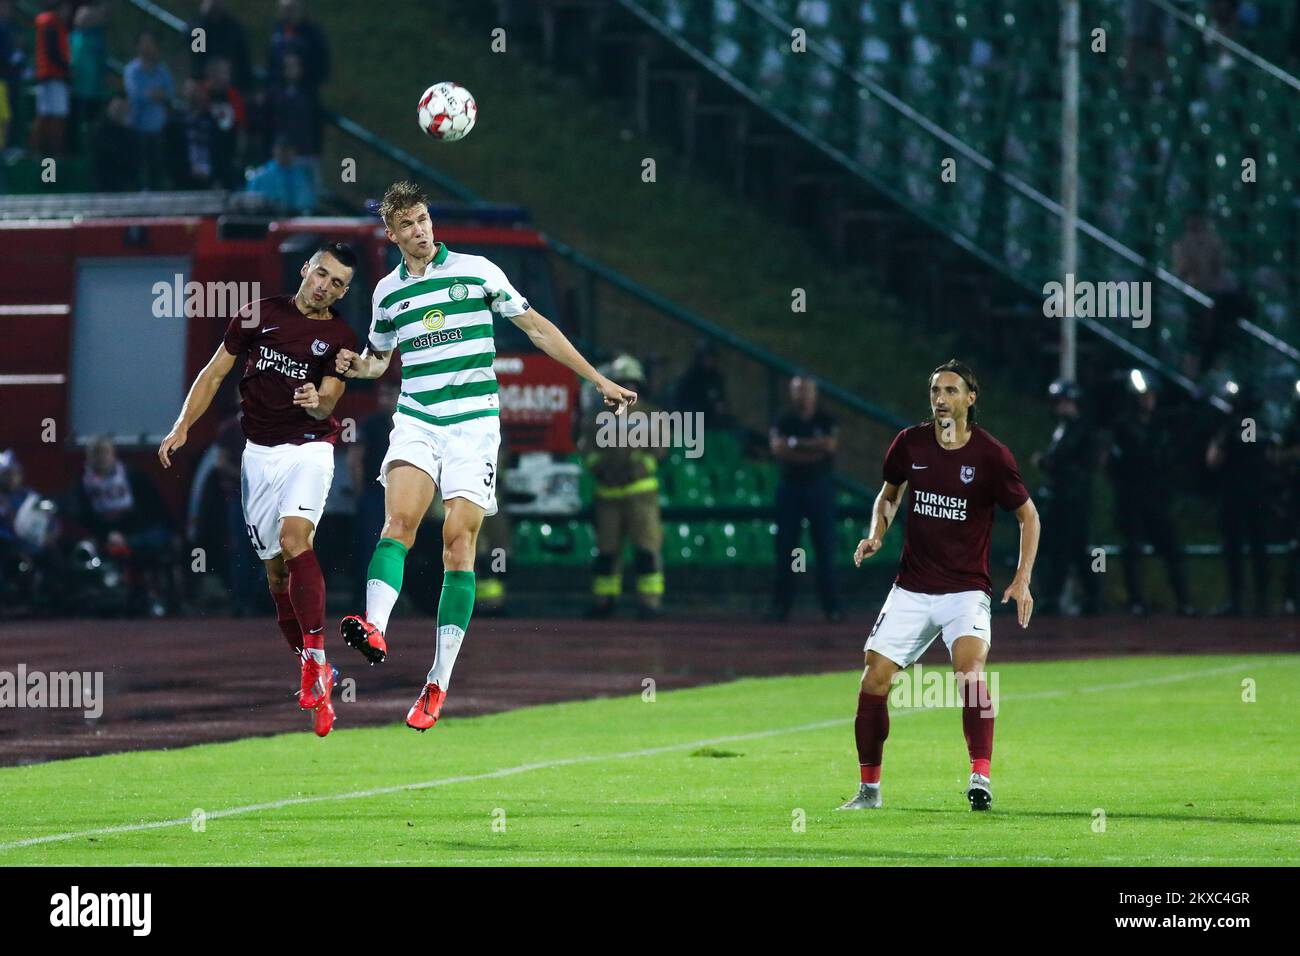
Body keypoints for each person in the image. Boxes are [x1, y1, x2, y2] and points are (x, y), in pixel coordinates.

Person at [333, 180, 638, 732]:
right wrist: (356, 367)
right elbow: (378, 361)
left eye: (423, 219)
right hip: (418, 420)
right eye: (407, 225)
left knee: (458, 542)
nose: (419, 230)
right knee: (398, 522)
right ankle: (374, 625)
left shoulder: (478, 271)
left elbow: (537, 329)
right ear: (392, 234)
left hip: (473, 428)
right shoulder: (386, 294)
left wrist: (597, 380)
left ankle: (437, 681)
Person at [157, 241, 359, 738]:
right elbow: (214, 371)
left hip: (309, 448)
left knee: (296, 542)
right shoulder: (256, 315)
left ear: (344, 292)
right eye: (322, 275)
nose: (325, 286)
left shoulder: (338, 336)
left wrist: (317, 401)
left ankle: (315, 660)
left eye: (337, 284)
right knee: (275, 577)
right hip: (259, 456)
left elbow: (331, 395)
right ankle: (317, 670)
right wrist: (183, 425)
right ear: (305, 269)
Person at [839, 360, 1039, 813]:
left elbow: (1028, 515)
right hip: (911, 587)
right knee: (873, 679)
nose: (940, 398)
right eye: (935, 390)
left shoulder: (991, 455)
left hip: (966, 589)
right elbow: (890, 493)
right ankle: (869, 792)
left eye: (951, 390)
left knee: (969, 672)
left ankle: (980, 776)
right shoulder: (910, 443)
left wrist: (1022, 578)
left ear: (971, 398)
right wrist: (877, 534)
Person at [582, 354, 664, 619]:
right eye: (622, 382)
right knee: (606, 555)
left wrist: (636, 467)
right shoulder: (596, 417)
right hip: (607, 496)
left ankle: (649, 604)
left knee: (646, 553)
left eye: (632, 382)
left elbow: (659, 451)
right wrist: (601, 467)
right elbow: (587, 451)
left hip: (641, 496)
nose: (628, 387)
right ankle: (603, 602)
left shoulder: (652, 414)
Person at [1105, 375, 1194, 615]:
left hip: (1157, 498)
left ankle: (1184, 601)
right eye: (1144, 396)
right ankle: (1136, 601)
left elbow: (1170, 461)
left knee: (1173, 549)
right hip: (1132, 499)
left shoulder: (1162, 426)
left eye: (1151, 396)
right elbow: (1116, 465)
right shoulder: (1123, 427)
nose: (1148, 401)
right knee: (1132, 550)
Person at [73, 435, 176, 616]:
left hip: (144, 529)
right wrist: (107, 534)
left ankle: (146, 593)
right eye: (95, 454)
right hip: (110, 534)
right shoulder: (84, 484)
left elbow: (154, 507)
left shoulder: (133, 476)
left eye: (104, 453)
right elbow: (83, 515)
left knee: (140, 545)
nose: (100, 459)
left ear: (113, 455)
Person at [767, 375, 841, 623]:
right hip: (791, 489)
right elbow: (778, 450)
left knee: (825, 549)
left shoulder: (825, 419)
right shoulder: (784, 419)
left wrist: (795, 446)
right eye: (798, 390)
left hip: (819, 489)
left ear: (814, 393)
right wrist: (813, 448)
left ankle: (831, 608)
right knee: (786, 548)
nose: (802, 395)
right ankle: (781, 606)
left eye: (806, 390)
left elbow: (830, 446)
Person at [1032, 379, 1100, 616]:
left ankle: (1089, 594)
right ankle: (1069, 595)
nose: (1061, 407)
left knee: (1080, 550)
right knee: (1069, 549)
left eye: (1065, 402)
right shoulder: (1064, 429)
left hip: (1074, 500)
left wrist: (1047, 462)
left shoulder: (1082, 429)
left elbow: (1070, 462)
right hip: (1063, 498)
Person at [1206, 384, 1270, 615]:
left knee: (1247, 548)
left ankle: (1250, 601)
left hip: (1242, 496)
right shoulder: (1256, 425)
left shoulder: (1244, 424)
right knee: (1247, 549)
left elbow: (1215, 459)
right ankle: (1250, 600)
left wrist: (1223, 438)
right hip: (1249, 496)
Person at [123, 30, 174, 188]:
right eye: (143, 43)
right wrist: (155, 95)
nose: (147, 47)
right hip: (137, 126)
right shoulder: (132, 70)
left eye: (150, 43)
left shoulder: (162, 71)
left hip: (159, 128)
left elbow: (170, 93)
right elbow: (135, 94)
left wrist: (155, 95)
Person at [30, 1, 73, 157]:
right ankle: (49, 153)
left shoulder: (54, 23)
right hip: (52, 77)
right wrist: (67, 68)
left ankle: (45, 153)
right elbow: (52, 51)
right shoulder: (50, 22)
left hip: (52, 77)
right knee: (53, 116)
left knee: (49, 114)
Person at [267, 0, 330, 93]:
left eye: (291, 9)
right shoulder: (278, 31)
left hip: (306, 92)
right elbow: (271, 60)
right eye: (284, 9)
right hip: (278, 91)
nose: (288, 14)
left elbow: (322, 65)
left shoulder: (312, 34)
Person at [69, 1, 108, 150]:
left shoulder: (98, 40)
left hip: (93, 90)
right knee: (75, 124)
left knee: (92, 124)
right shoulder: (73, 37)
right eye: (80, 17)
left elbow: (102, 62)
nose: (82, 20)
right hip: (76, 90)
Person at [188, 0, 251, 91]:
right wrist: (203, 17)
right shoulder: (198, 25)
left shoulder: (234, 27)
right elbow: (194, 48)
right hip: (203, 86)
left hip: (230, 89)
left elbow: (244, 61)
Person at [245, 135, 316, 214]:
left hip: (296, 219)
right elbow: (249, 204)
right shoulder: (260, 176)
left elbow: (309, 203)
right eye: (281, 149)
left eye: (287, 150)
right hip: (267, 220)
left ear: (294, 152)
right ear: (274, 150)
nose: (284, 153)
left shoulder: (302, 176)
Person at [91, 94, 141, 191]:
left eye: (123, 109)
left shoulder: (132, 134)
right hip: (105, 184)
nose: (120, 112)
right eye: (117, 109)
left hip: (127, 184)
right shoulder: (99, 132)